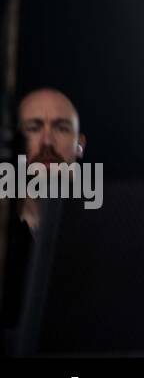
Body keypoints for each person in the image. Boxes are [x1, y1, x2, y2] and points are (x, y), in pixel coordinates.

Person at [2, 87, 85, 330]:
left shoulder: (107, 235)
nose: (47, 141)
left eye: (61, 128)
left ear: (79, 146)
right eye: (33, 128)